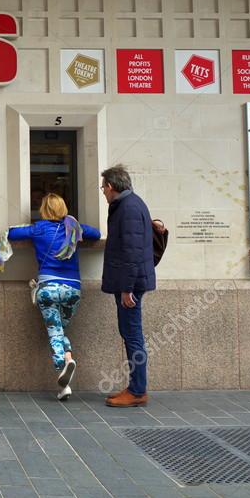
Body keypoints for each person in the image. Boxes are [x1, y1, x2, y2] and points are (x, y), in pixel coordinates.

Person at [6, 194, 101, 401]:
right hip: (73, 290)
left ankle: (63, 364)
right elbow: (97, 233)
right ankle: (66, 372)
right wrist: (74, 223)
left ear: (44, 210)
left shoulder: (39, 228)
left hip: (49, 288)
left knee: (55, 332)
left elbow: (12, 234)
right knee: (59, 330)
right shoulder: (74, 228)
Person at [100, 165, 156, 408]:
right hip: (130, 281)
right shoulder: (130, 204)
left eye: (103, 187)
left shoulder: (129, 208)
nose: (102, 192)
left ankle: (137, 390)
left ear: (111, 187)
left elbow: (132, 252)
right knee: (130, 334)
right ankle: (135, 386)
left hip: (130, 284)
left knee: (132, 335)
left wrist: (127, 288)